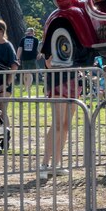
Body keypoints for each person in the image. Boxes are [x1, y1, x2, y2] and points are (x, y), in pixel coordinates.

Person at [38, 33, 81, 178]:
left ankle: (57, 163)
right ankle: (44, 164)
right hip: (57, 82)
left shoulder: (78, 38)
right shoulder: (55, 36)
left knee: (66, 125)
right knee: (57, 124)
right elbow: (48, 63)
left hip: (73, 81)